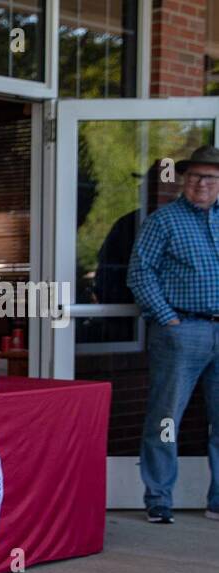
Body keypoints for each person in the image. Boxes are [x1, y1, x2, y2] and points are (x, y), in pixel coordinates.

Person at [127, 144, 219, 525]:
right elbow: (140, 272)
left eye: (210, 177)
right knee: (166, 419)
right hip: (182, 332)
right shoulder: (163, 221)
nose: (202, 183)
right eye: (195, 176)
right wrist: (168, 319)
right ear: (184, 179)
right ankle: (159, 497)